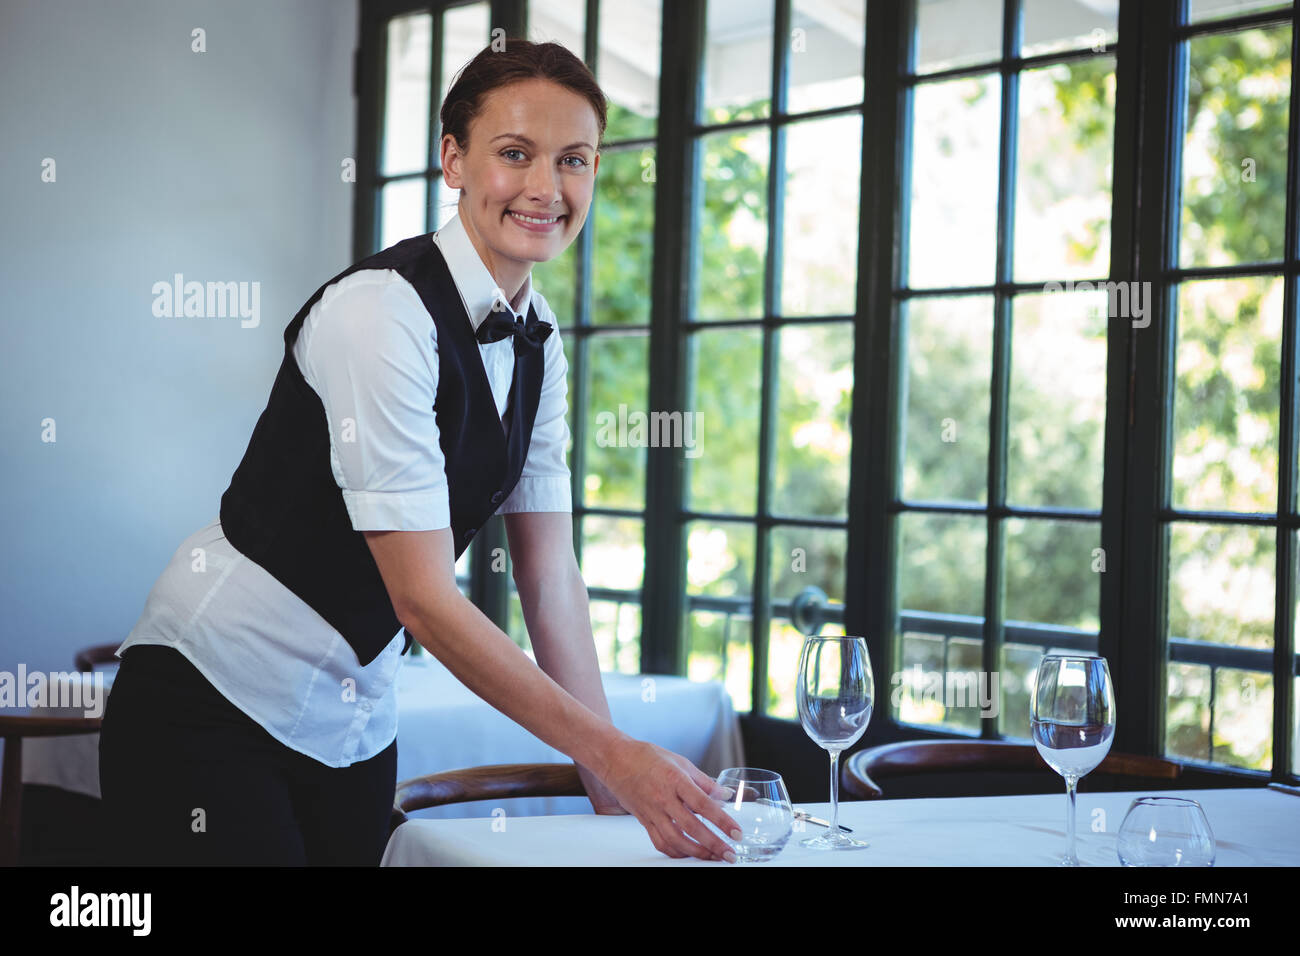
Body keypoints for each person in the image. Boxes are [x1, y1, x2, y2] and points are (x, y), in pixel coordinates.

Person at [97, 38, 742, 866]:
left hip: (354, 717)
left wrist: (606, 777)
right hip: (210, 697)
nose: (548, 188)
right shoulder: (379, 314)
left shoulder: (542, 346)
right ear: (454, 161)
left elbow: (549, 576)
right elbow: (425, 603)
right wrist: (621, 756)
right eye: (516, 154)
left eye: (574, 161)